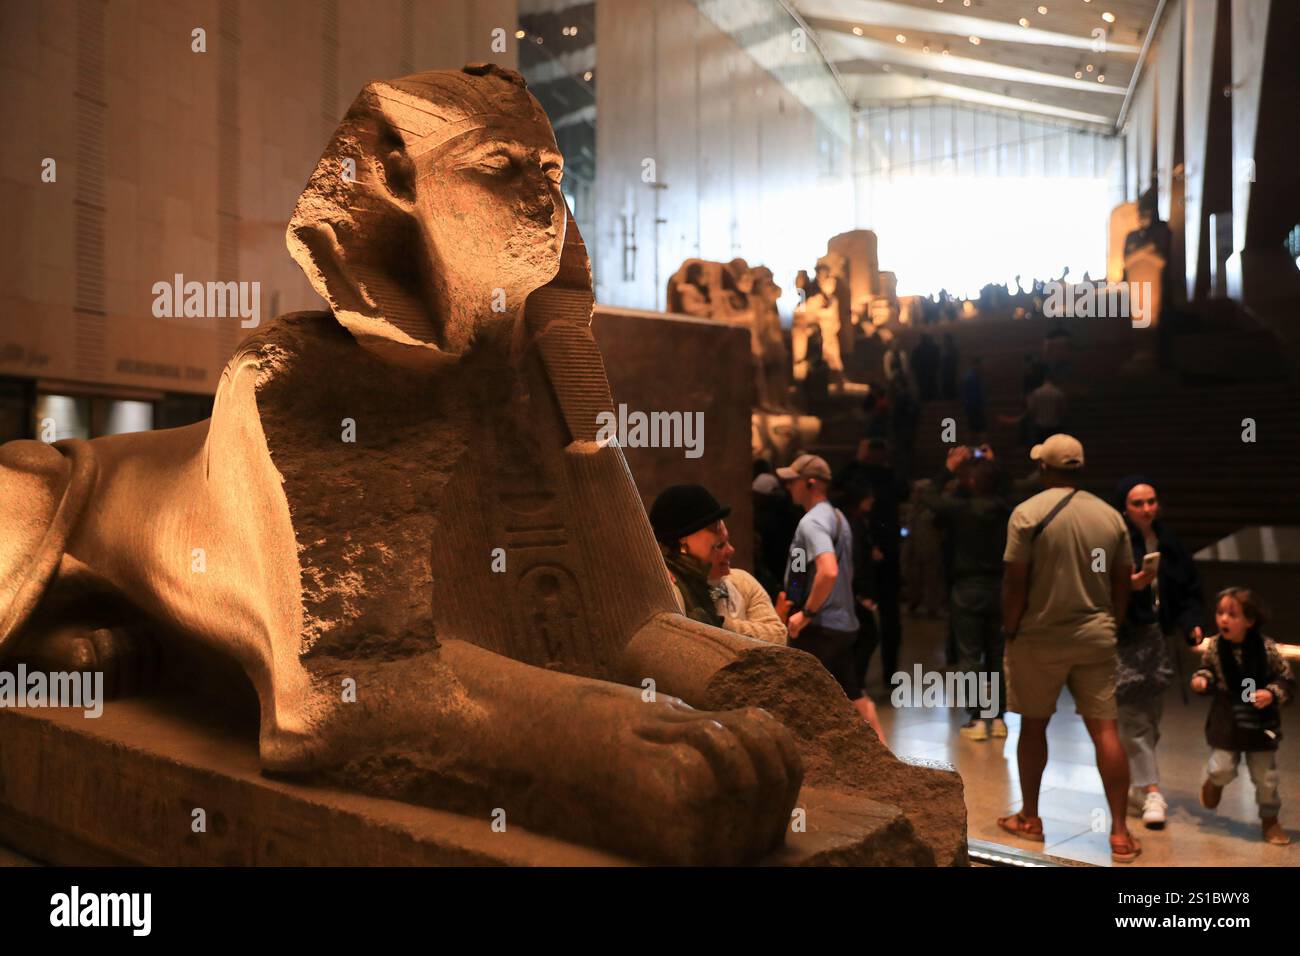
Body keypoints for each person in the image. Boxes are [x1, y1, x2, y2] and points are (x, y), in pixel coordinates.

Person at [996, 434, 1142, 863]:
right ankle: (1118, 833)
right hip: (1095, 635)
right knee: (1106, 732)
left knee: (1034, 726)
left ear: (1045, 468)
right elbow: (1121, 582)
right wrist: (1109, 622)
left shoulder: (1027, 514)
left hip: (1039, 637)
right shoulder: (1110, 517)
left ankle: (1030, 818)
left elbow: (1015, 581)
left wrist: (1011, 627)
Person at [1113, 475, 1205, 829]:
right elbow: (1098, 583)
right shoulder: (1115, 541)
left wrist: (1191, 622)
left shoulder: (1169, 541)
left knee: (1150, 717)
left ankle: (1139, 782)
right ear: (1124, 507)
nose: (1147, 509)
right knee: (1134, 716)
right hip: (1126, 637)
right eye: (1138, 503)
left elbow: (1189, 589)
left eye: (1151, 501)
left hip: (1159, 639)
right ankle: (1152, 790)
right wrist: (1129, 586)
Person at [777, 454, 885, 741]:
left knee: (799, 702)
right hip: (843, 625)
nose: (788, 487)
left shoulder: (812, 523)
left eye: (793, 481)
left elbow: (828, 571)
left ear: (810, 483)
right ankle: (886, 758)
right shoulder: (838, 518)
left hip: (820, 628)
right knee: (854, 694)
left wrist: (806, 614)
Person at [922, 446, 1010, 740]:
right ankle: (997, 718)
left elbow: (928, 498)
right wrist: (994, 465)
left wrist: (947, 469)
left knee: (970, 655)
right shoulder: (1006, 509)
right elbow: (1010, 490)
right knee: (997, 655)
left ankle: (976, 720)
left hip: (967, 587)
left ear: (970, 482)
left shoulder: (959, 510)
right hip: (999, 587)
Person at [1193, 588, 1293, 845]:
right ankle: (1215, 782)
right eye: (1220, 613)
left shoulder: (1266, 648)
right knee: (1222, 766)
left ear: (1249, 620)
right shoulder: (1215, 647)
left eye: (1232, 614)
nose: (1223, 619)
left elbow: (1286, 678)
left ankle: (1270, 819)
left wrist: (1271, 693)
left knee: (1266, 777)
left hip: (1260, 721)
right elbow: (1208, 670)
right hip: (1228, 717)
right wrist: (1202, 679)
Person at [833, 439, 904, 688]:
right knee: (865, 632)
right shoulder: (854, 480)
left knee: (880, 627)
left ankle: (878, 677)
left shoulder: (887, 476)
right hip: (867, 564)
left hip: (884, 560)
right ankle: (853, 685)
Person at [648, 483, 730, 627]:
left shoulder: (696, 580)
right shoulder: (672, 590)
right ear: (683, 538)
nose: (719, 532)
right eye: (714, 526)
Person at [705, 516, 787, 645]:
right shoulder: (679, 587)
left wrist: (723, 624)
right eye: (720, 545)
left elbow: (778, 635)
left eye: (728, 542)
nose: (731, 550)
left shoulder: (742, 580)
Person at [961, 357, 987, 441]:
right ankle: (980, 451)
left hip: (972, 407)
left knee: (972, 430)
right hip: (974, 408)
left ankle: (973, 451)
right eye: (979, 365)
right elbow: (974, 394)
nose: (981, 367)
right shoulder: (971, 378)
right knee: (979, 430)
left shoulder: (971, 377)